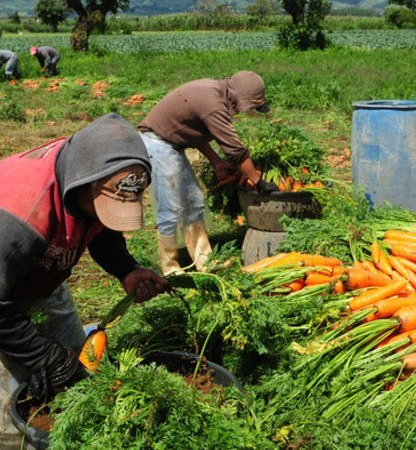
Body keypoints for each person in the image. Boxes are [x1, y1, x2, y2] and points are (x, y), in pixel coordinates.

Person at [0, 113, 168, 445]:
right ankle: (15, 434)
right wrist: (43, 358)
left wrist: (126, 269)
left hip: (41, 274)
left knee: (76, 368)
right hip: (5, 280)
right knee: (32, 378)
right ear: (83, 183)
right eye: (105, 204)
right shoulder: (20, 219)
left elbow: (100, 227)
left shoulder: (88, 172)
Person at [137, 71, 277, 275]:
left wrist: (217, 162)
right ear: (240, 97)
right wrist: (258, 181)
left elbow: (195, 134)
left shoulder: (216, 93)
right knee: (171, 206)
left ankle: (205, 261)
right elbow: (235, 150)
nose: (247, 111)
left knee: (194, 201)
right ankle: (170, 267)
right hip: (157, 144)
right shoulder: (213, 104)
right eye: (250, 106)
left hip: (171, 144)